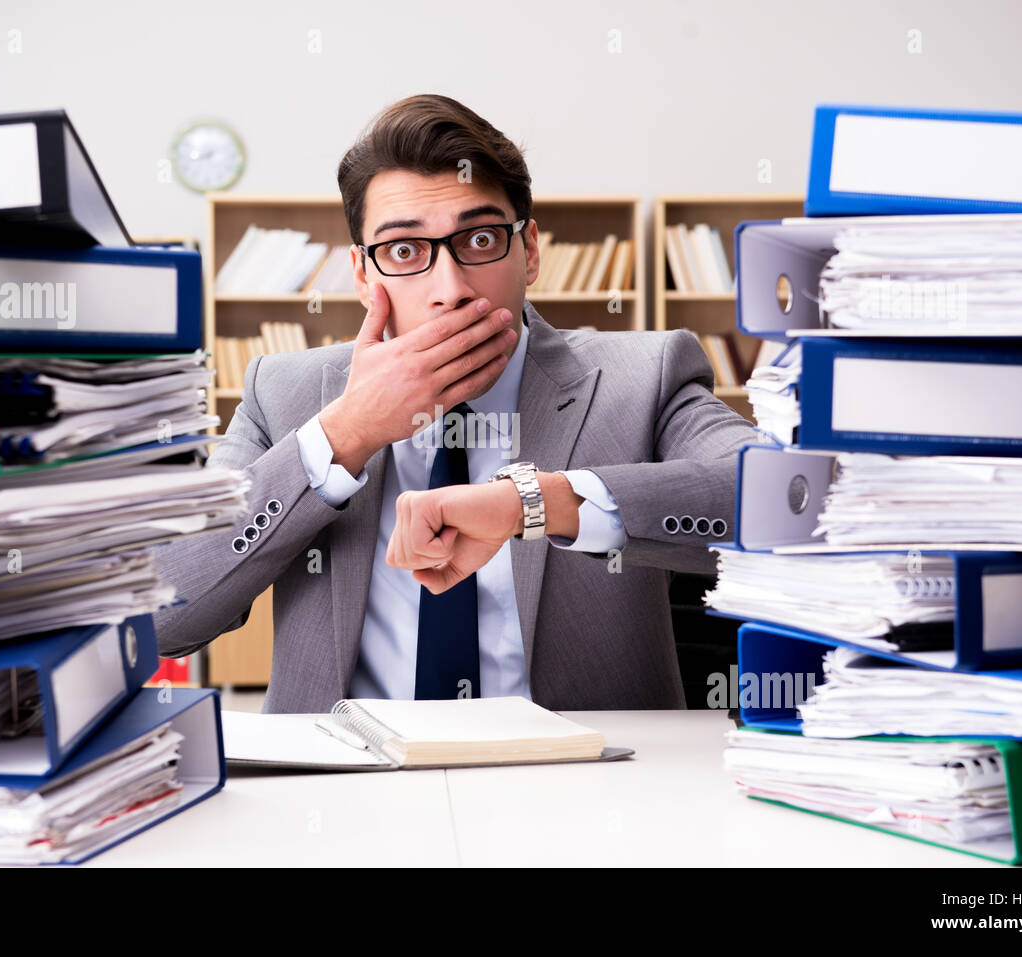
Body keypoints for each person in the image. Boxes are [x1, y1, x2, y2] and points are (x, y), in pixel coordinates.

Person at [154, 93, 761, 711]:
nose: (450, 289)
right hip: (343, 783)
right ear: (364, 276)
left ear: (529, 252)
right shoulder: (282, 393)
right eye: (404, 250)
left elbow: (785, 504)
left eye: (478, 239)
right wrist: (347, 434)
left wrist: (534, 502)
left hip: (583, 785)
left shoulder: (644, 376)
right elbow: (164, 612)